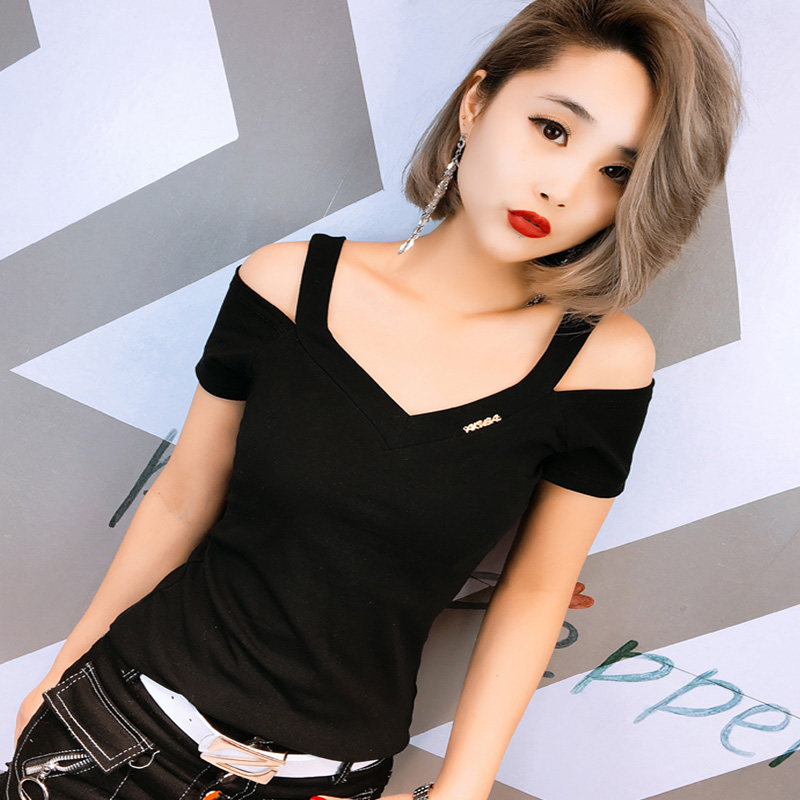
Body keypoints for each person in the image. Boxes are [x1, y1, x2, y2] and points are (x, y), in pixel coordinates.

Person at [2, 0, 743, 798]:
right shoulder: (285, 285)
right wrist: (66, 667)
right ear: (477, 103)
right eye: (552, 129)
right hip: (115, 733)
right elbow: (184, 495)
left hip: (325, 781)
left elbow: (534, 591)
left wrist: (464, 786)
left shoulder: (603, 364)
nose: (562, 187)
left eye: (616, 172)